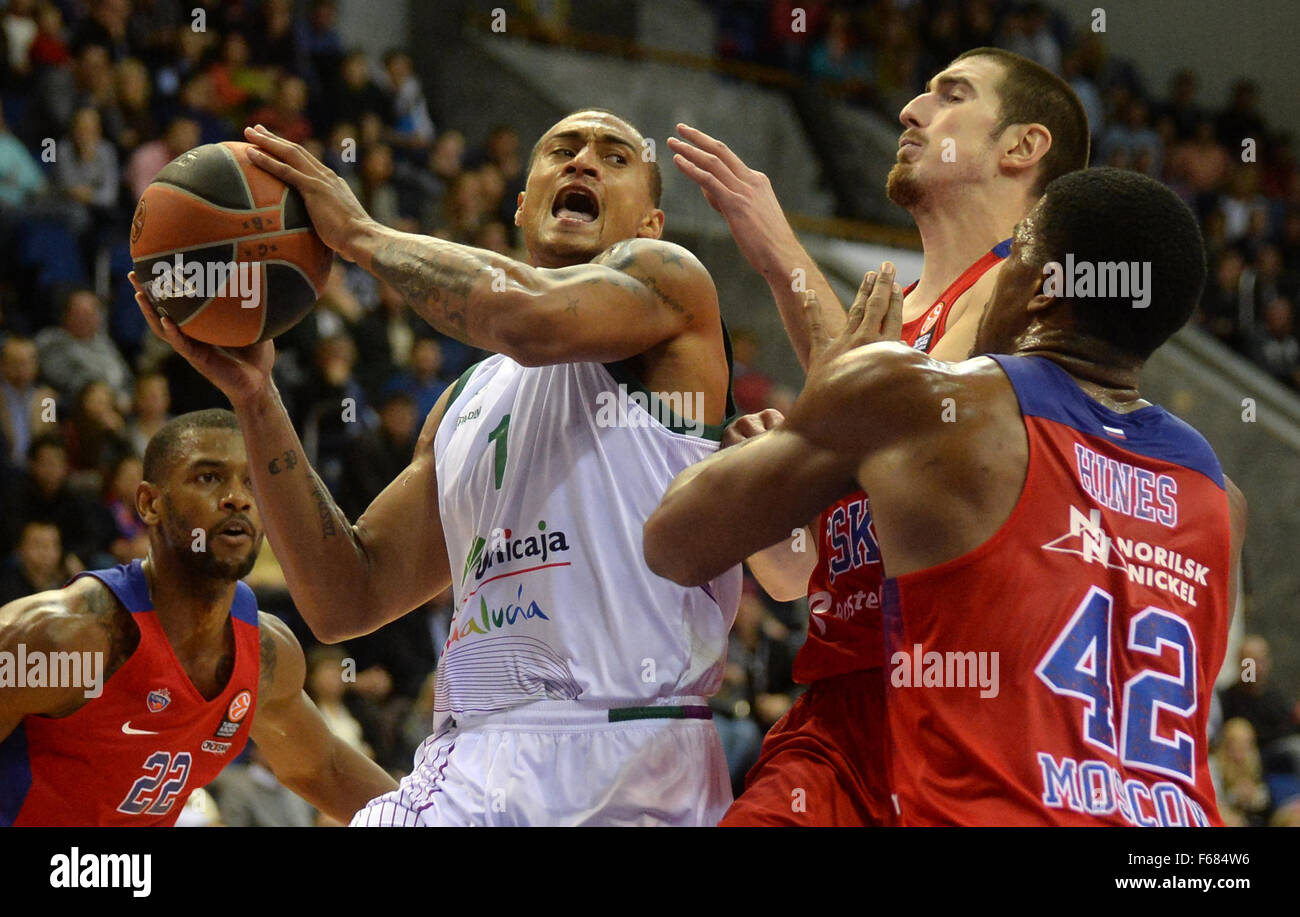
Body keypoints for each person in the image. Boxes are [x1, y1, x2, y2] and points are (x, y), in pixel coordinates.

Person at [131, 108, 741, 826]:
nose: (582, 161)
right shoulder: (464, 400)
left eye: (614, 157)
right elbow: (344, 598)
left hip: (624, 755)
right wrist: (256, 395)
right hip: (471, 758)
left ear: (651, 223)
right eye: (561, 149)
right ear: (521, 204)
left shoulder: (672, 284)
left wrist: (359, 235)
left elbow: (526, 318)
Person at [646, 167, 1246, 826]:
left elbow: (675, 539)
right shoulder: (1221, 499)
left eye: (1016, 251)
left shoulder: (933, 404)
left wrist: (838, 396)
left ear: (1044, 290)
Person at [669, 47, 1088, 825]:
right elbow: (797, 576)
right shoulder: (882, 316)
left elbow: (911, 419)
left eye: (950, 94)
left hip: (962, 703)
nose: (910, 110)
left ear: (1021, 146)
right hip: (836, 711)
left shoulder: (1034, 287)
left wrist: (778, 253)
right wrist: (780, 478)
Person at [0, 410, 397, 825]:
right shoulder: (64, 637)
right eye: (209, 477)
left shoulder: (265, 656)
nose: (237, 498)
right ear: (150, 504)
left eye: (251, 482)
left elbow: (323, 769)